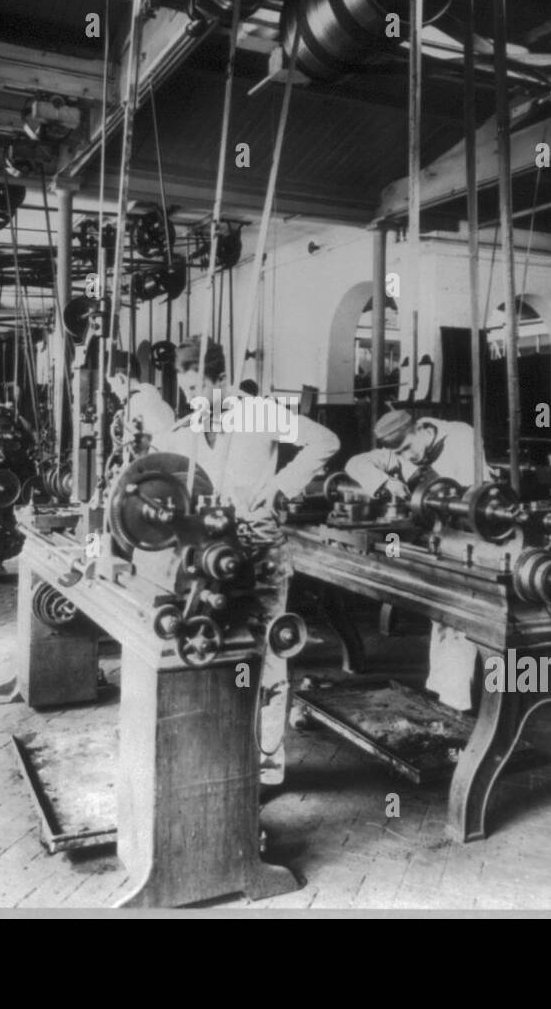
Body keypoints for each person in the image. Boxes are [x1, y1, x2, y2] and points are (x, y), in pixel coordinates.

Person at [150, 337, 339, 786]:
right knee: (211, 646)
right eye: (187, 387)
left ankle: (267, 766)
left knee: (268, 654)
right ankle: (219, 756)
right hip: (204, 557)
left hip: (258, 550)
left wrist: (281, 487)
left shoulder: (257, 413)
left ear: (222, 379)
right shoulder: (183, 430)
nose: (195, 396)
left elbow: (325, 440)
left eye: (202, 386)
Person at [345, 409, 482, 713]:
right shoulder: (406, 452)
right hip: (440, 537)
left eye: (407, 448)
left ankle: (456, 701)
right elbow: (355, 463)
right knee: (441, 613)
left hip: (471, 536)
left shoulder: (460, 437)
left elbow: (474, 494)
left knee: (460, 617)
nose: (406, 455)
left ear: (421, 428)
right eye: (398, 452)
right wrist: (385, 482)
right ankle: (443, 690)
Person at [106, 351, 175, 456]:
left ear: (120, 379)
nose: (112, 390)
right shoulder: (150, 399)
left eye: (111, 384)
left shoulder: (139, 403)